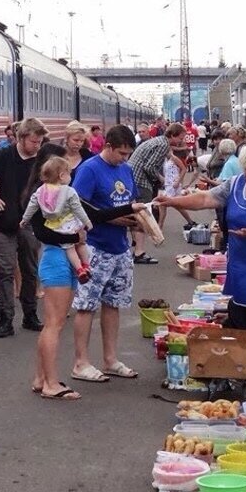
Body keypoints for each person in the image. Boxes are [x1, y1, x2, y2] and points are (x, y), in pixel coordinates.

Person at [156, 140, 246, 387]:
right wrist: (172, 201)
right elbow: (204, 199)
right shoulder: (236, 184)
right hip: (242, 261)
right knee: (240, 311)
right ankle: (239, 362)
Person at [27, 143, 148, 400]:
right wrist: (74, 234)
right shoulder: (44, 197)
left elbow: (96, 213)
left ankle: (41, 378)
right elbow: (42, 232)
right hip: (57, 259)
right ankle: (50, 383)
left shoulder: (61, 194)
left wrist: (130, 208)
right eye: (65, 166)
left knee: (53, 323)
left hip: (63, 260)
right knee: (54, 324)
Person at [68, 125, 142, 383]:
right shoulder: (89, 170)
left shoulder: (126, 169)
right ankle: (81, 362)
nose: (124, 158)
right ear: (107, 146)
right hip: (96, 248)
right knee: (86, 305)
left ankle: (110, 359)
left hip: (120, 248)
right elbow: (77, 206)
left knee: (113, 303)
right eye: (121, 153)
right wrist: (113, 220)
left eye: (127, 154)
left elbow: (129, 201)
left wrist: (135, 224)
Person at [0, 118, 48, 338]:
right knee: (5, 271)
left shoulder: (42, 160)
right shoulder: (3, 156)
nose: (37, 146)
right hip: (4, 223)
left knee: (30, 271)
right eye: (34, 141)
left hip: (31, 224)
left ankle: (30, 315)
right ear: (22, 138)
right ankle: (5, 319)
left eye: (40, 141)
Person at [20, 157, 94, 284]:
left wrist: (24, 219)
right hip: (71, 223)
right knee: (81, 243)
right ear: (61, 176)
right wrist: (87, 222)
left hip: (55, 225)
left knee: (69, 248)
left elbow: (31, 206)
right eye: (69, 173)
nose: (70, 176)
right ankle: (86, 265)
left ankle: (79, 269)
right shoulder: (69, 191)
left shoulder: (40, 191)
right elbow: (78, 208)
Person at [128, 123, 187, 263]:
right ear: (172, 135)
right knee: (143, 214)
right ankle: (139, 252)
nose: (181, 141)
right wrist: (161, 179)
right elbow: (149, 167)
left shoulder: (157, 141)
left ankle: (136, 245)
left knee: (134, 213)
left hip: (132, 177)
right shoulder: (163, 145)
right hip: (140, 181)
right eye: (180, 138)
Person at [157, 148, 194, 230]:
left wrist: (178, 181)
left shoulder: (174, 158)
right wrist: (163, 179)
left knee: (163, 204)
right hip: (168, 184)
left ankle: (160, 226)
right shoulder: (165, 160)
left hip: (174, 184)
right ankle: (190, 221)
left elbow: (184, 169)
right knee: (177, 206)